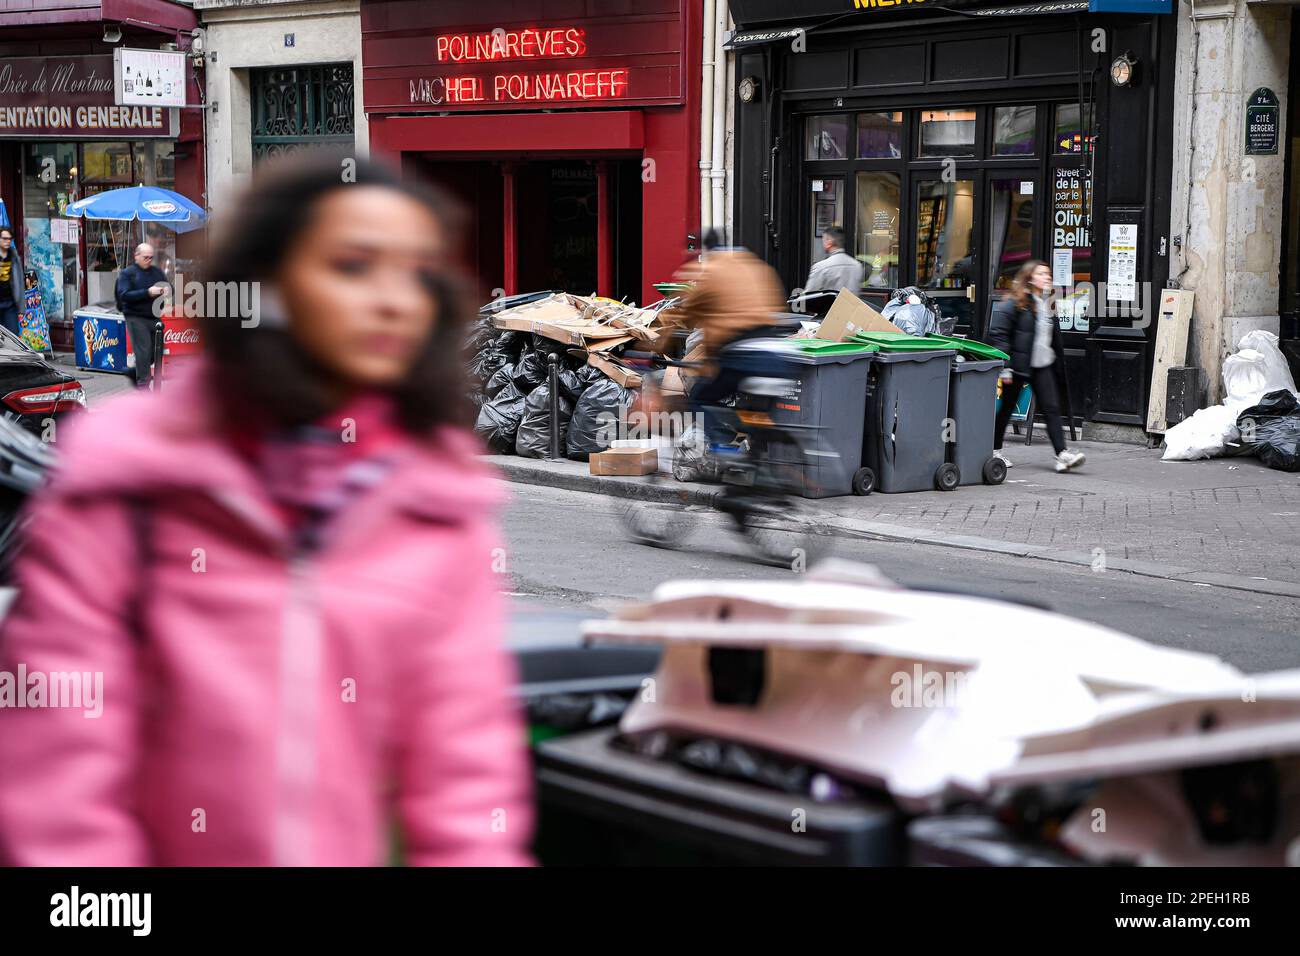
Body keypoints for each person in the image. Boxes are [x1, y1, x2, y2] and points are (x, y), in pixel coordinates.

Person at [0, 155, 533, 866]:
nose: (392, 299)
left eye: (413, 272)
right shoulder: (128, 486)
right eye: (352, 266)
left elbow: (466, 781)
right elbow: (59, 769)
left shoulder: (439, 507)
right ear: (265, 289)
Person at [655, 230, 786, 444]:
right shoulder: (755, 265)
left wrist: (660, 345)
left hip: (742, 355)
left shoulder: (711, 273)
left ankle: (724, 446)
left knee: (699, 398)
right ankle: (762, 448)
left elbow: (689, 316)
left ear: (705, 251)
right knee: (754, 412)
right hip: (775, 353)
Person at [987, 259, 1086, 473]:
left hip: (1042, 365)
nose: (1047, 277)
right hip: (1018, 366)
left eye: (1048, 274)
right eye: (1041, 274)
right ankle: (994, 452)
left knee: (1051, 408)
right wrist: (1006, 366)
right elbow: (1000, 335)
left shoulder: (1048, 303)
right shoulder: (1014, 303)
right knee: (1006, 410)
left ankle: (1062, 455)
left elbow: (1052, 337)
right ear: (1030, 277)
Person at [114, 243, 169, 389]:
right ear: (136, 256)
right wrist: (147, 292)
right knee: (143, 351)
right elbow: (124, 295)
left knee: (156, 351)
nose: (149, 260)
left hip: (154, 315)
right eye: (145, 257)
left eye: (151, 258)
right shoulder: (128, 273)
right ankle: (143, 384)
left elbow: (168, 286)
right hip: (135, 316)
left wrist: (166, 290)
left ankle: (133, 371)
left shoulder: (156, 272)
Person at [803, 226, 865, 295]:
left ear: (829, 243)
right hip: (850, 305)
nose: (823, 244)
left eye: (823, 240)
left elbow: (808, 296)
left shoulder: (821, 267)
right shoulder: (857, 266)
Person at [0, 227, 26, 338]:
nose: (8, 241)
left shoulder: (14, 256)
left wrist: (21, 306)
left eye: (10, 239)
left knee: (13, 337)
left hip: (10, 303)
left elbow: (19, 281)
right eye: (5, 238)